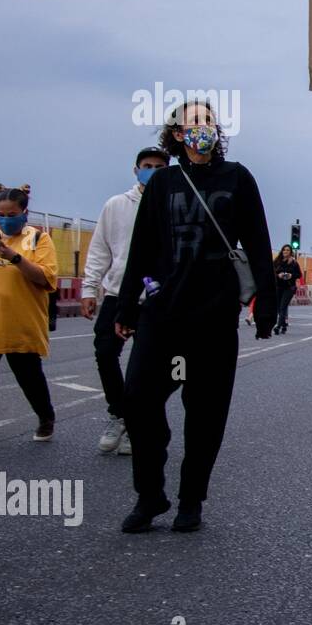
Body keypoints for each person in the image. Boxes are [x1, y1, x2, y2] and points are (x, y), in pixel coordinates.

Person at [114, 99, 275, 534]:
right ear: (179, 134)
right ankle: (150, 496)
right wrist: (127, 304)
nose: (202, 128)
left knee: (205, 414)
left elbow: (258, 243)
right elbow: (142, 248)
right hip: (163, 314)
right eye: (193, 123)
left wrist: (267, 308)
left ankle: (191, 500)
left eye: (209, 120)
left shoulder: (237, 178)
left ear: (216, 132)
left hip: (214, 318)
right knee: (138, 400)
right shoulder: (164, 182)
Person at [81, 146, 171, 454]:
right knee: (105, 353)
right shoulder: (116, 205)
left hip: (156, 298)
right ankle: (119, 412)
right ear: (136, 170)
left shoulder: (173, 205)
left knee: (146, 367)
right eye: (147, 165)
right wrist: (89, 289)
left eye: (160, 166)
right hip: (119, 293)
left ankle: (139, 424)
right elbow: (100, 250)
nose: (152, 170)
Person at [0, 184, 58, 444]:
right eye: (0, 214)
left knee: (29, 378)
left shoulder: (38, 239)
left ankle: (46, 417)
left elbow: (45, 277)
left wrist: (14, 257)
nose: (5, 219)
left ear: (25, 212)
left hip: (21, 323)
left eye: (12, 214)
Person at [271, 245, 302, 335]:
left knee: (283, 306)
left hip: (289, 287)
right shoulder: (277, 261)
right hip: (278, 286)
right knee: (278, 307)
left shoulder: (293, 263)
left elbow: (299, 274)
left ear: (290, 252)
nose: (285, 251)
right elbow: (272, 271)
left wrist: (291, 275)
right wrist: (278, 275)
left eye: (288, 250)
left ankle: (278, 326)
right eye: (284, 250)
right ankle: (284, 324)